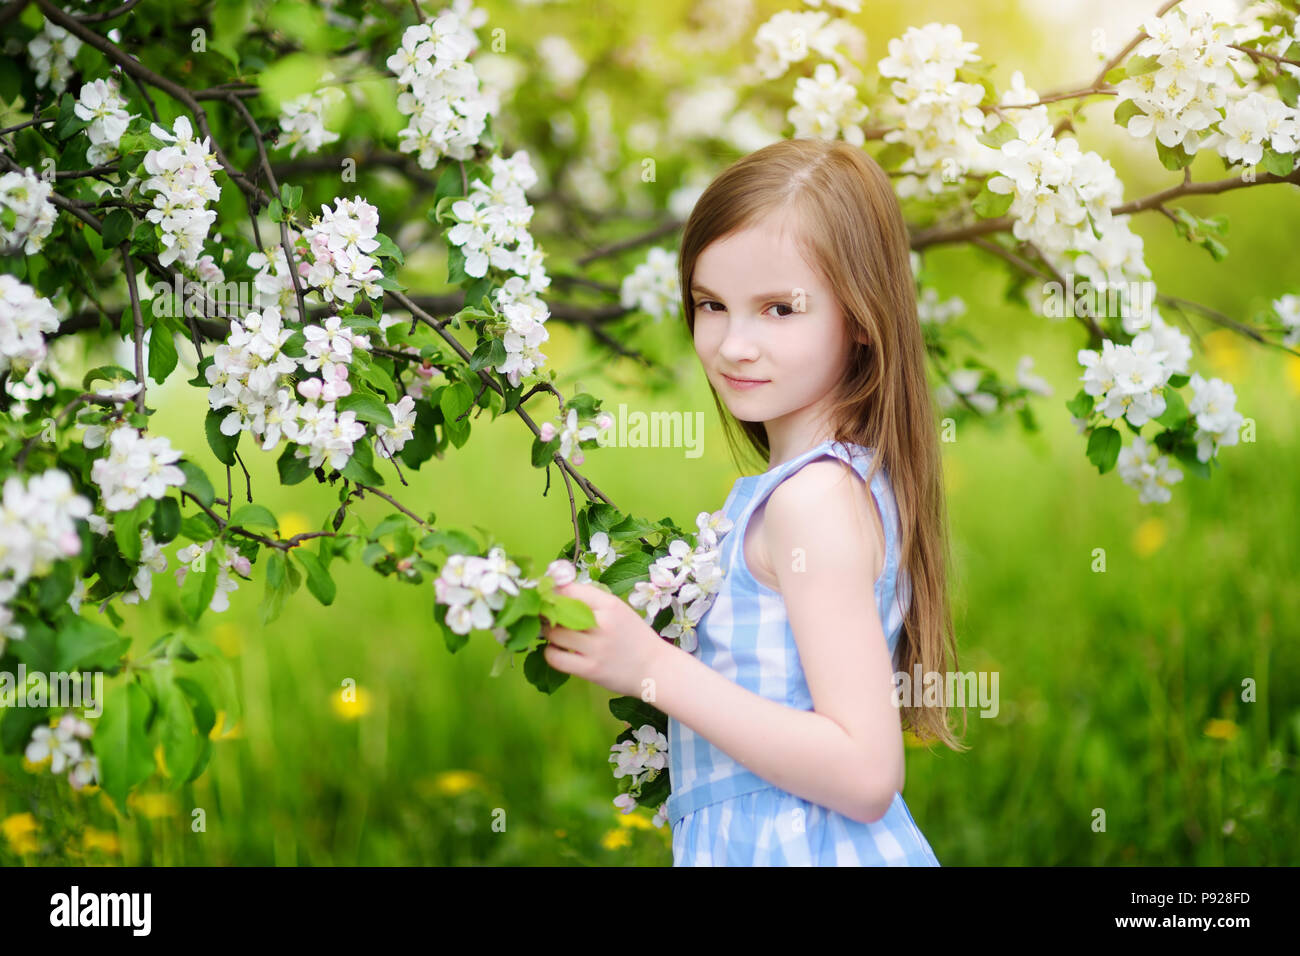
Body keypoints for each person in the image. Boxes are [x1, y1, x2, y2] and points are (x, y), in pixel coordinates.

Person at [542, 137, 965, 865]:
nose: (735, 344)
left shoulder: (813, 503)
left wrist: (649, 666)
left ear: (860, 318)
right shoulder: (819, 486)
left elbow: (866, 774)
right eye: (712, 305)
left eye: (778, 309)